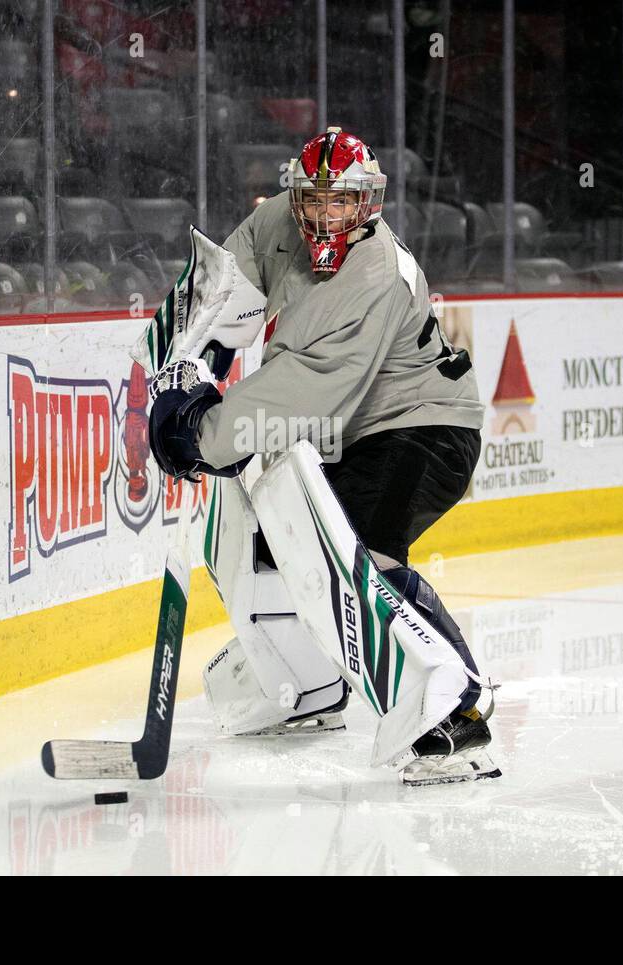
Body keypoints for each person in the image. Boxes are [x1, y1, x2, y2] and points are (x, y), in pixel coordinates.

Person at [149, 128, 497, 783]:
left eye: (341, 203)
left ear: (369, 204)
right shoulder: (279, 220)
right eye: (314, 200)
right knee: (269, 537)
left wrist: (202, 433)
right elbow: (229, 279)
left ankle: (457, 711)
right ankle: (302, 685)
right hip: (355, 428)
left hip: (424, 428)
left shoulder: (369, 276)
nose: (324, 215)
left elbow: (302, 389)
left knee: (361, 553)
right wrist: (191, 362)